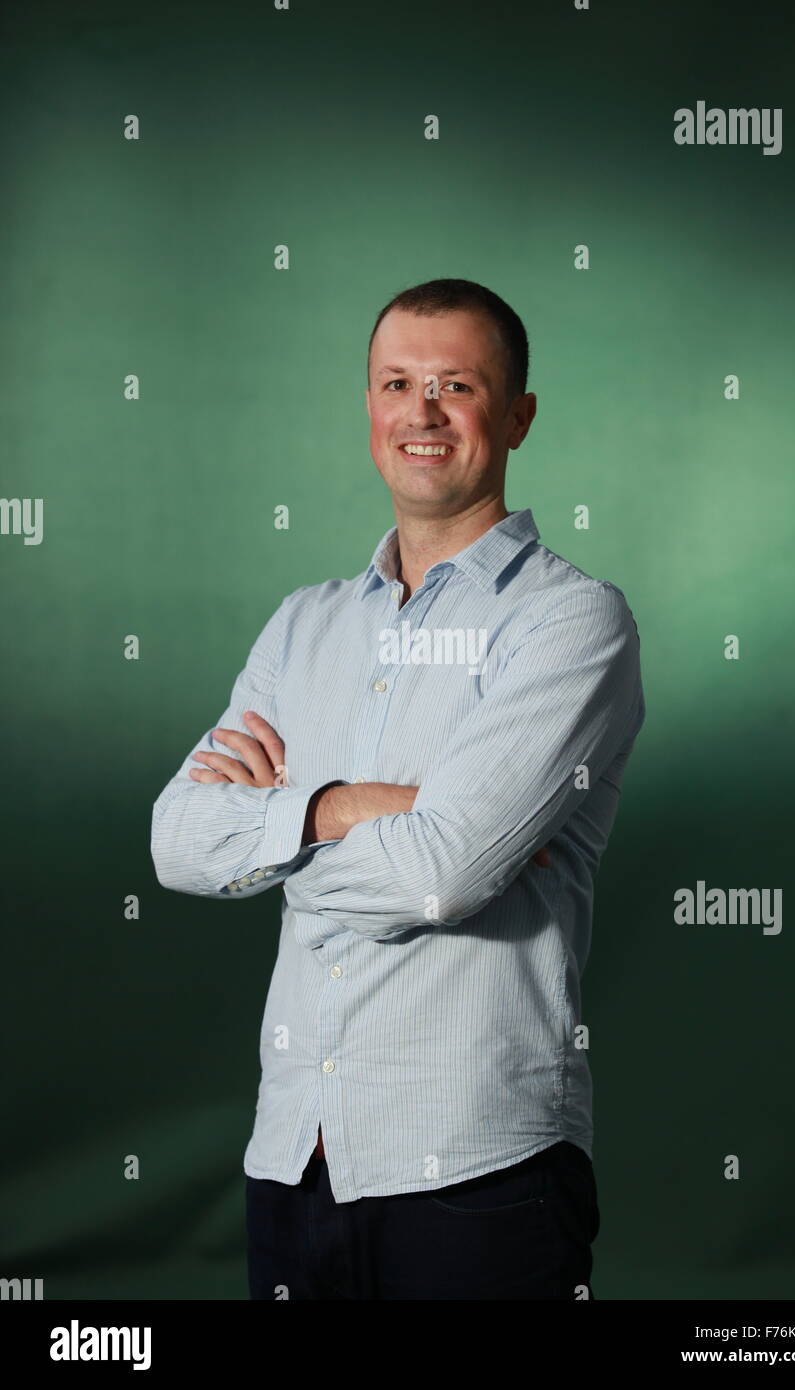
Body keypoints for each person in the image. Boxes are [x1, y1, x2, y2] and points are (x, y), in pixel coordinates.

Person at [151, 277, 646, 1300]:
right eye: (395, 383)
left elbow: (443, 875)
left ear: (515, 416)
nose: (420, 412)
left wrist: (277, 831)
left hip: (478, 1173)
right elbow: (178, 840)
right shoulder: (303, 625)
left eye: (455, 384)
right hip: (294, 1156)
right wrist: (353, 806)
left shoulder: (572, 623)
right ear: (369, 407)